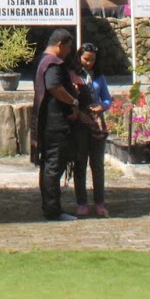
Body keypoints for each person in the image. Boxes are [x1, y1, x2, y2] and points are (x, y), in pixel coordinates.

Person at [32, 28, 78, 221]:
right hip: (55, 124)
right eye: (68, 48)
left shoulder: (42, 60)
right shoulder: (52, 63)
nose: (68, 52)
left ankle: (50, 207)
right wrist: (72, 101)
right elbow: (54, 86)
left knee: (48, 166)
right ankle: (53, 210)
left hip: (47, 123)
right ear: (60, 45)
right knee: (53, 166)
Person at [70, 41, 110, 217]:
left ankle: (99, 203)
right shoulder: (73, 75)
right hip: (80, 123)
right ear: (79, 58)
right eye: (86, 59)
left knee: (97, 165)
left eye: (92, 60)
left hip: (97, 123)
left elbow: (107, 99)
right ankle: (81, 202)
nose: (89, 63)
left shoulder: (99, 77)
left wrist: (102, 106)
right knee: (80, 163)